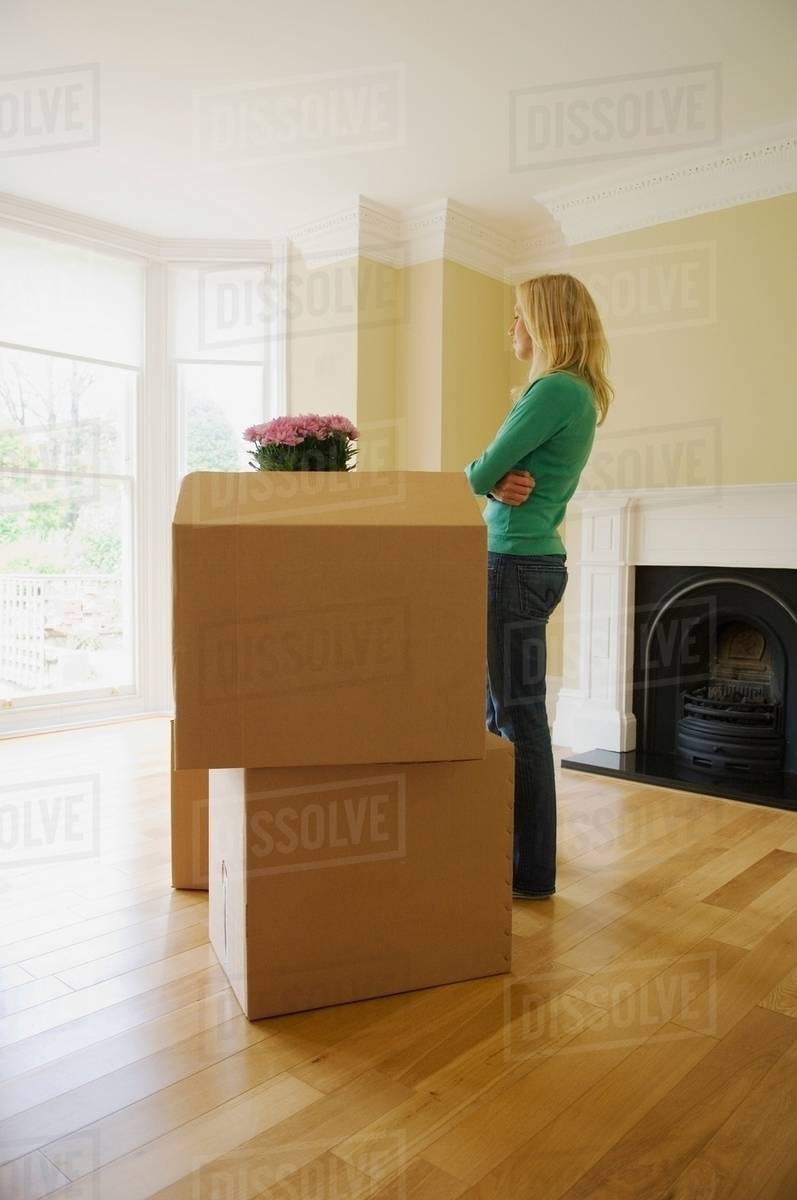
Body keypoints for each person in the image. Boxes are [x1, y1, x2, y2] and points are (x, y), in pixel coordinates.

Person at [464, 273, 612, 899]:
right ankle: (505, 851)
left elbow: (477, 475)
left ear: (546, 322)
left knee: (517, 718)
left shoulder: (553, 389)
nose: (512, 328)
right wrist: (496, 481)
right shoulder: (576, 393)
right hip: (529, 562)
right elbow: (496, 477)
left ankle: (529, 871)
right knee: (503, 713)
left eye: (520, 315)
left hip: (513, 566)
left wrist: (487, 479)